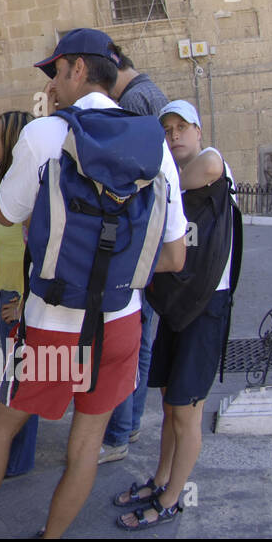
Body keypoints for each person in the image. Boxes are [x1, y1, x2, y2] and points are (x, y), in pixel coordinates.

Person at [0, 28, 187, 539]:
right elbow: (174, 253)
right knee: (85, 446)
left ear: (78, 69)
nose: (51, 87)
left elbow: (3, 212)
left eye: (55, 73)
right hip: (122, 322)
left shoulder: (45, 135)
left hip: (53, 327)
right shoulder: (154, 141)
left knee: (2, 428)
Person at [116, 101, 237, 529]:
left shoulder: (211, 162)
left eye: (182, 127)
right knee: (170, 403)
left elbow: (196, 172)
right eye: (166, 129)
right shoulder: (172, 182)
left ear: (199, 130)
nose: (174, 135)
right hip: (178, 308)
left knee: (187, 411)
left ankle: (171, 499)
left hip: (207, 309)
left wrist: (153, 175)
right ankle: (161, 479)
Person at [100, 48, 171, 463]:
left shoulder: (130, 103)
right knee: (142, 343)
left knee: (127, 346)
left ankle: (117, 434)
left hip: (138, 244)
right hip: (157, 241)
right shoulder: (153, 93)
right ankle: (133, 423)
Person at [0, 110, 37, 477]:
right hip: (7, 294)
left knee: (22, 381)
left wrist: (24, 302)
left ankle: (17, 459)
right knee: (12, 376)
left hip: (20, 299)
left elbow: (44, 248)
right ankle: (6, 444)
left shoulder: (28, 189)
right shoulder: (8, 182)